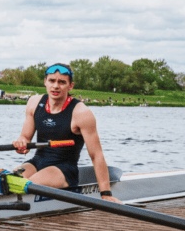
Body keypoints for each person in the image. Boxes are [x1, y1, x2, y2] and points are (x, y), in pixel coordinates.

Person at [12, 64, 120, 203]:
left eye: (62, 82)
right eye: (52, 81)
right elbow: (25, 137)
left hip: (64, 169)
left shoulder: (81, 113)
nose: (56, 86)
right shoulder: (34, 103)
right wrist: (21, 143)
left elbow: (96, 155)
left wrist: (105, 193)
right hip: (36, 162)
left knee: (27, 185)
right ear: (45, 82)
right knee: (9, 181)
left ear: (70, 86)